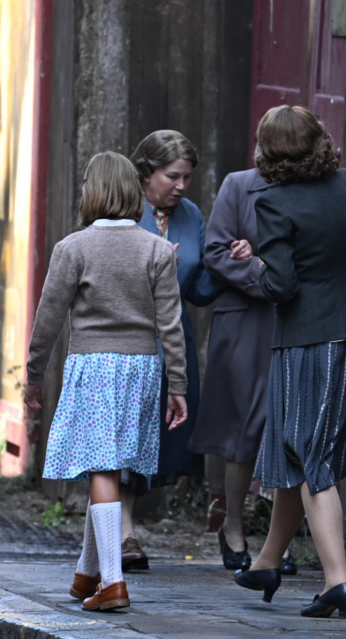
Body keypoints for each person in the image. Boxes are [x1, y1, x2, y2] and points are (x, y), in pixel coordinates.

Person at [233, 105, 346, 619]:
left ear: (268, 151)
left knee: (309, 453)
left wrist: (254, 261)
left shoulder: (274, 202)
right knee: (295, 450)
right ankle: (267, 562)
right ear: (319, 140)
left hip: (306, 339)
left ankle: (336, 582)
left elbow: (280, 284)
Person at [24, 151, 188, 611]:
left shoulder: (72, 248)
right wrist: (178, 386)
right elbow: (171, 325)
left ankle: (113, 583)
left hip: (94, 368)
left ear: (91, 192)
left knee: (101, 469)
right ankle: (86, 573)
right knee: (110, 469)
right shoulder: (156, 248)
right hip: (142, 369)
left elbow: (48, 320)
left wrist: (33, 376)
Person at [119, 130, 225, 569]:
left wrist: (225, 262)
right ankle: (123, 534)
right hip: (129, 339)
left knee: (161, 437)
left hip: (174, 346)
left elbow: (198, 290)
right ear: (146, 173)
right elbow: (106, 282)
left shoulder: (192, 215)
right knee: (124, 436)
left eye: (187, 178)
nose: (182, 186)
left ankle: (120, 531)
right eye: (173, 176)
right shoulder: (121, 210)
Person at [190, 168, 297, 575]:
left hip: (294, 317)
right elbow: (216, 253)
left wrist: (262, 259)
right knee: (244, 427)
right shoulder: (238, 185)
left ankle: (277, 540)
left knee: (287, 427)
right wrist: (263, 273)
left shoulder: (310, 187)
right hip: (245, 321)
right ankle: (232, 526)